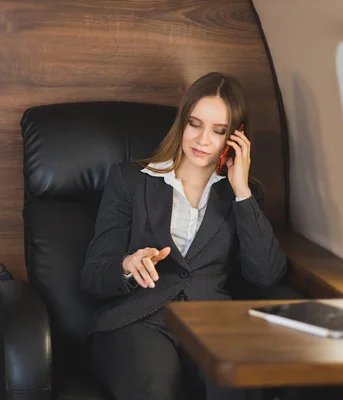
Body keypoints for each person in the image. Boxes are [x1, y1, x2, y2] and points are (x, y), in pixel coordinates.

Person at [80, 72, 288, 400]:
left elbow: (265, 275)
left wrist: (242, 191)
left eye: (218, 131)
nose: (203, 140)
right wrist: (128, 264)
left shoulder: (243, 195)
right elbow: (92, 276)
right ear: (182, 123)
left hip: (213, 323)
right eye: (195, 124)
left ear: (236, 137)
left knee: (234, 387)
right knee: (156, 389)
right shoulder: (131, 180)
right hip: (138, 320)